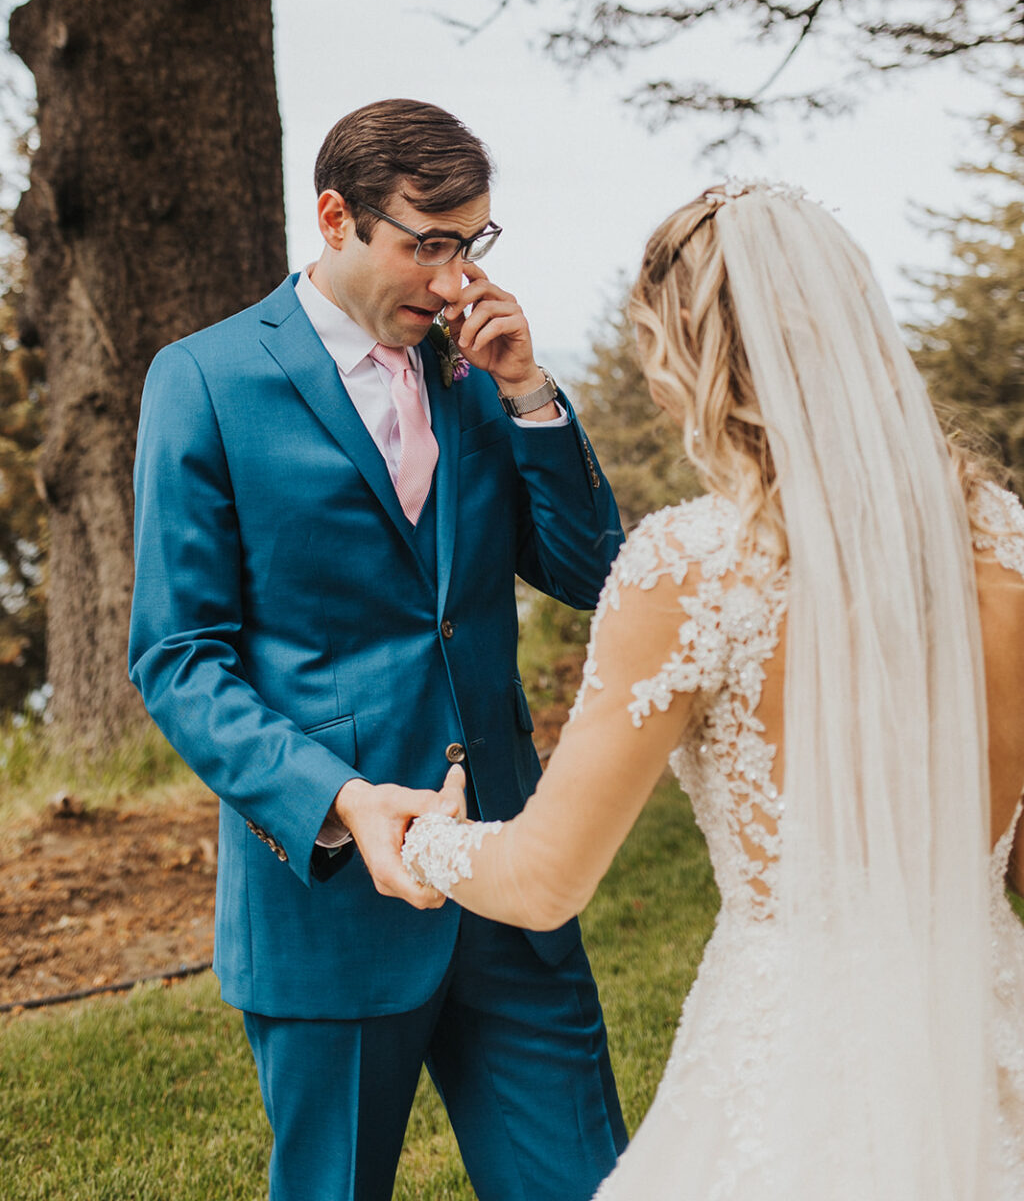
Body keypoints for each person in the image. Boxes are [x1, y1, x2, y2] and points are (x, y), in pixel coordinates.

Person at [403, 180, 1024, 1200]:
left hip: (797, 1070)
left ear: (692, 358)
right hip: (983, 1031)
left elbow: (547, 876)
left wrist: (414, 836)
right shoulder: (997, 538)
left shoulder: (689, 566)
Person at [128, 99, 628, 1201]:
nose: (453, 281)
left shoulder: (477, 376)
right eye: (426, 243)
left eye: (471, 245)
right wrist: (344, 802)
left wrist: (531, 394)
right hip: (334, 902)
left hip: (511, 879)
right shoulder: (204, 381)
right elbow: (178, 657)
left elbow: (598, 578)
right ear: (335, 217)